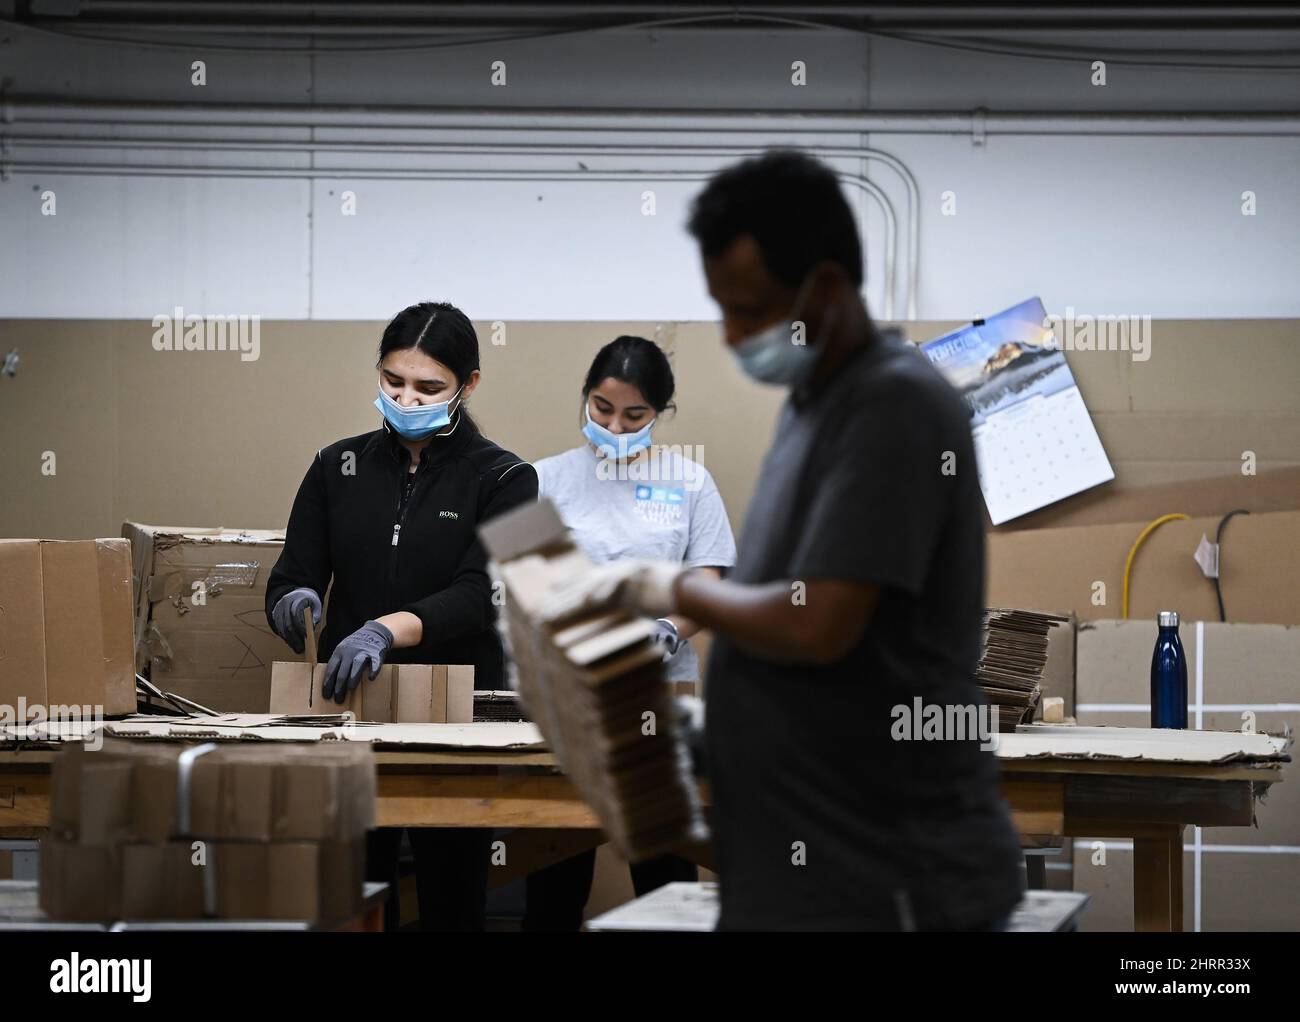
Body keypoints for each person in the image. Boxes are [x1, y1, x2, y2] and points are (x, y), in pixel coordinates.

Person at [543, 150, 1024, 930]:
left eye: (749, 308)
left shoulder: (892, 406)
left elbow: (817, 621)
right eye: (720, 307)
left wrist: (665, 591)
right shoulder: (814, 407)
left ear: (825, 288)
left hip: (888, 867)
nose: (732, 335)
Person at [265, 301, 538, 931]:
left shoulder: (511, 478)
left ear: (468, 385)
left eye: (429, 387)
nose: (407, 398)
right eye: (394, 381)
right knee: (350, 891)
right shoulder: (336, 464)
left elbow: (483, 593)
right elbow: (294, 572)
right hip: (348, 704)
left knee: (449, 893)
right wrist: (292, 603)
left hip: (457, 715)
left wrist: (385, 628)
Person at [524, 336, 736, 931]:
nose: (615, 426)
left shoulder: (690, 483)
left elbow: (708, 580)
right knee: (557, 860)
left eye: (634, 415)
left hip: (659, 698)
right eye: (601, 408)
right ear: (585, 399)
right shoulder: (543, 479)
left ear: (660, 414)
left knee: (664, 864)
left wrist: (667, 630)